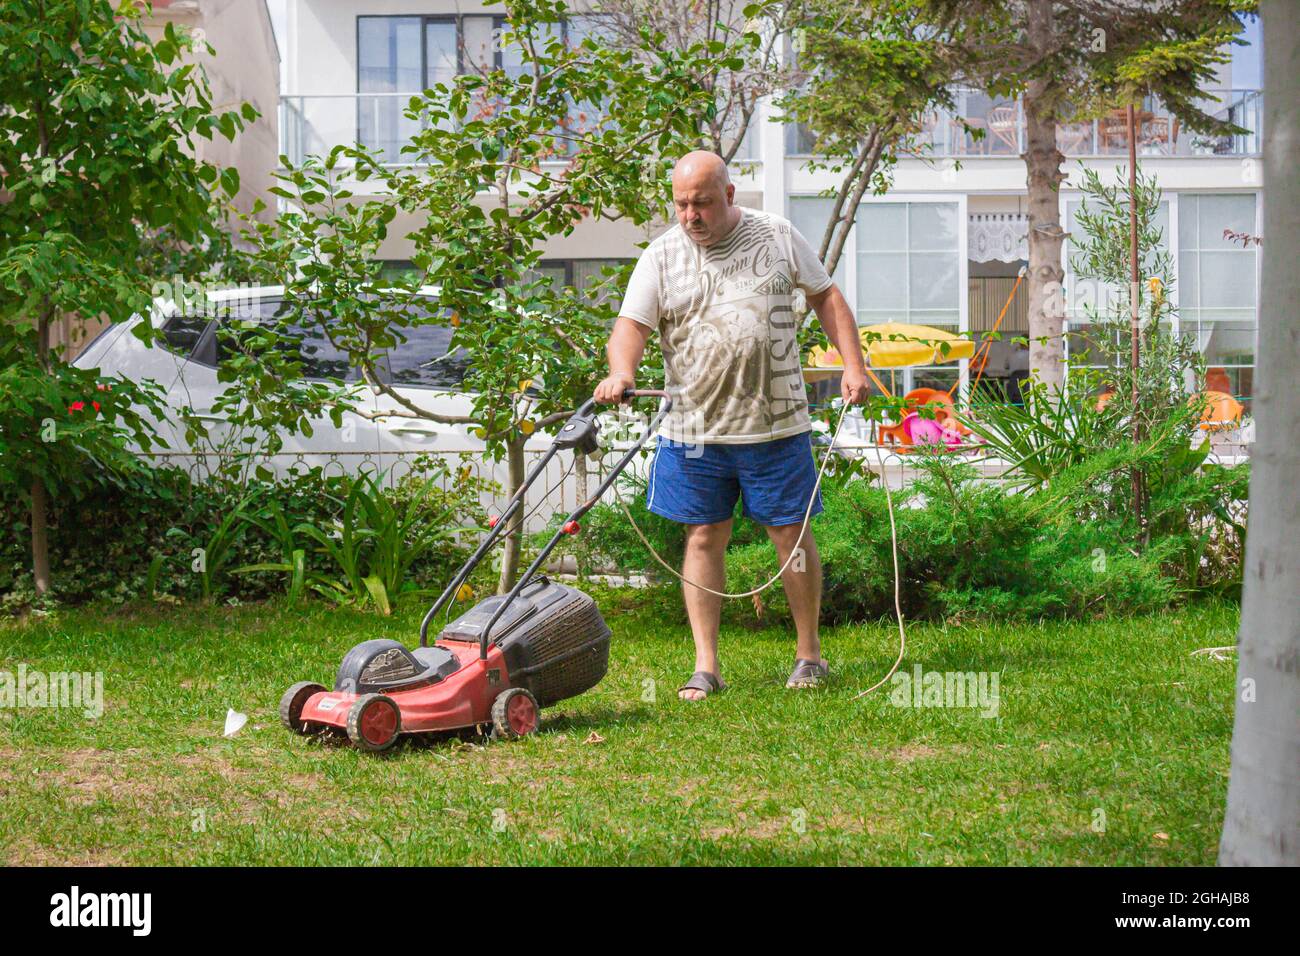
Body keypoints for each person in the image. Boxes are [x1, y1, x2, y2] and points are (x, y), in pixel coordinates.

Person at [593, 150, 869, 700]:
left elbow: (825, 296)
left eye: (703, 202)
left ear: (730, 195)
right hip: (695, 429)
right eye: (682, 204)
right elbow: (631, 325)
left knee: (791, 535)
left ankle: (809, 656)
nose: (691, 215)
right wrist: (621, 372)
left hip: (778, 422)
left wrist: (853, 365)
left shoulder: (776, 234)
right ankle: (706, 666)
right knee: (702, 536)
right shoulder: (662, 255)